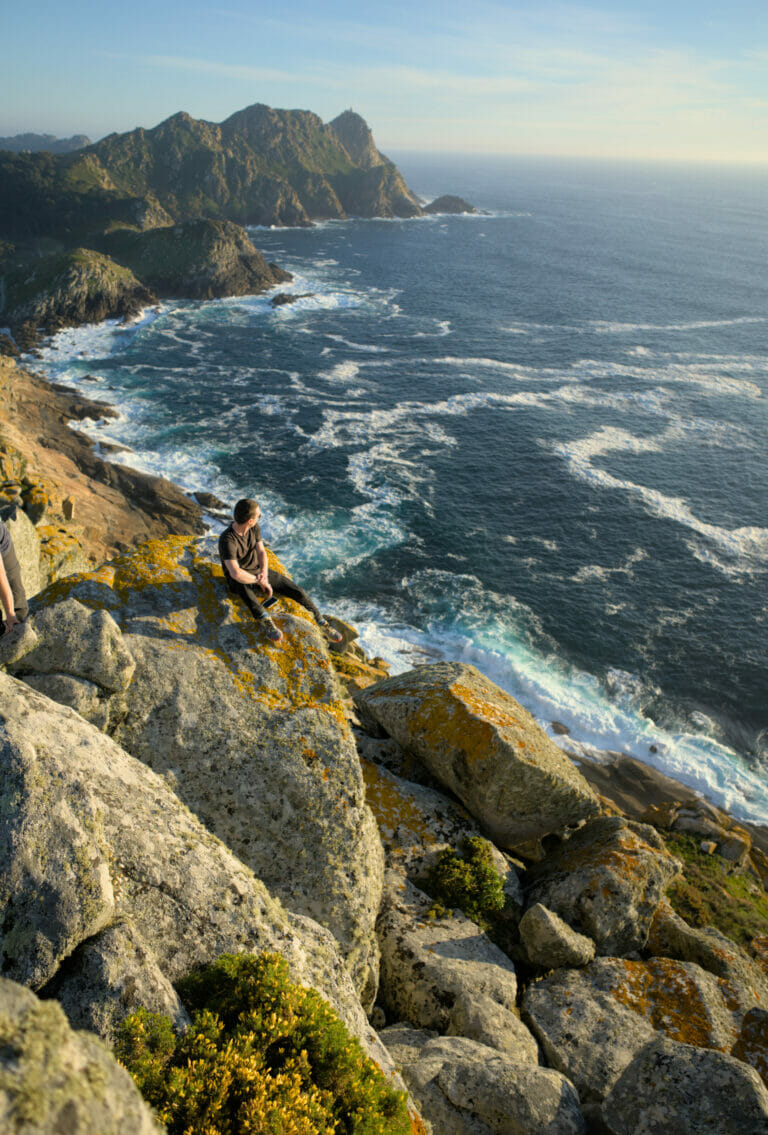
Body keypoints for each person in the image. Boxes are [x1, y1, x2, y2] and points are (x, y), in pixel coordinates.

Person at [219, 498, 343, 645]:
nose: (260, 516)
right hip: (239, 578)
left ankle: (322, 622)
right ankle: (266, 621)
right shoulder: (227, 540)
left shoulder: (254, 527)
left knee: (297, 591)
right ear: (250, 520)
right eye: (259, 515)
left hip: (258, 572)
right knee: (247, 595)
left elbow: (261, 552)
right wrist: (259, 581)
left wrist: (263, 575)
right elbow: (235, 573)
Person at [0, 518, 29, 636]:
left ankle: (18, 628)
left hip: (3, 549)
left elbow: (1, 578)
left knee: (16, 595)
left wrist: (11, 613)